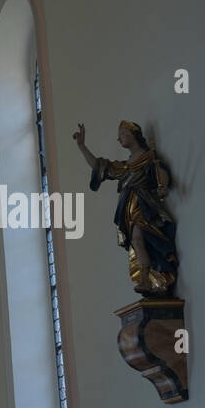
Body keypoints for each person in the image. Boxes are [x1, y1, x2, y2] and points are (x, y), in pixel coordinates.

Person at [73, 120, 178, 296]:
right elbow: (99, 166)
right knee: (138, 244)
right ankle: (150, 279)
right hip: (127, 210)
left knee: (139, 241)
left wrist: (163, 187)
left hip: (144, 207)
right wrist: (82, 146)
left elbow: (161, 174)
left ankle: (146, 279)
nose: (118, 139)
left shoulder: (148, 157)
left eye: (122, 134)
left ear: (133, 135)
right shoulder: (126, 166)